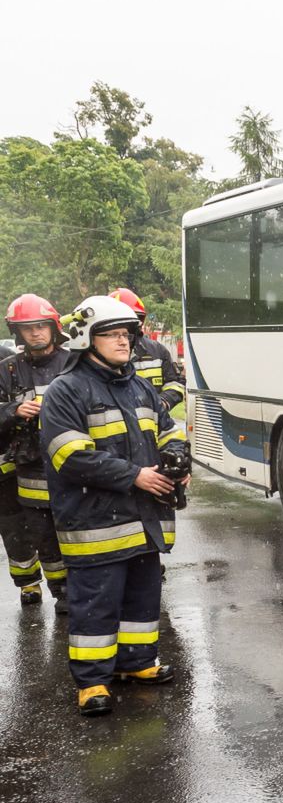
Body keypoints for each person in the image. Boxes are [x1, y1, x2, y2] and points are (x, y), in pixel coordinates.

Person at [40, 295, 187, 716]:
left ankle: (136, 664)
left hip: (144, 520)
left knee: (143, 597)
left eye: (127, 334)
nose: (124, 342)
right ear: (87, 338)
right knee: (96, 603)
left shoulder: (139, 385)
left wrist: (178, 462)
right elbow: (70, 455)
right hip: (95, 522)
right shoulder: (66, 391)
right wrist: (135, 475)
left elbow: (167, 428)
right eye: (113, 334)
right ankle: (92, 682)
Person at [0, 294, 71, 610]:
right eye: (27, 328)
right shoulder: (7, 369)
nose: (35, 333)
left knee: (75, 530)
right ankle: (60, 590)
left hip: (72, 463)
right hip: (28, 467)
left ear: (54, 327)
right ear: (18, 332)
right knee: (41, 534)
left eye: (41, 325)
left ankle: (78, 587)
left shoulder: (74, 362)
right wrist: (15, 410)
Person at [108, 288, 185, 413]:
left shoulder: (157, 351)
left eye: (132, 319)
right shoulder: (99, 356)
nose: (126, 326)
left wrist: (163, 402)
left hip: (154, 426)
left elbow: (175, 383)